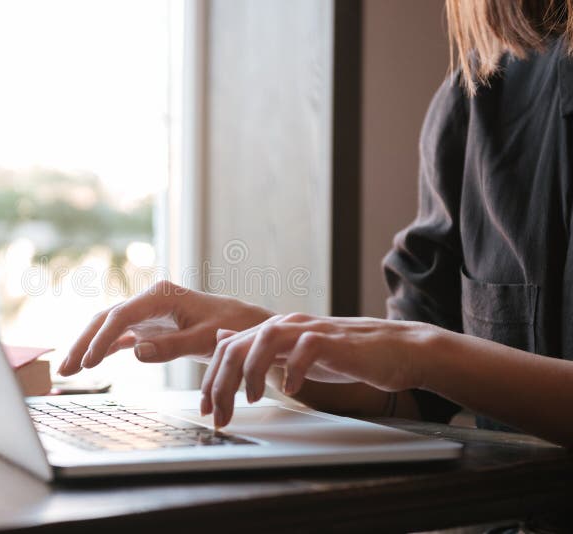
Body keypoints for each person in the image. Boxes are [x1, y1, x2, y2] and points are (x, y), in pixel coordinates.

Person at [58, 0, 573, 448]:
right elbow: (413, 397)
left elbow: (422, 359)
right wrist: (276, 343)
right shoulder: (481, 93)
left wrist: (424, 350)